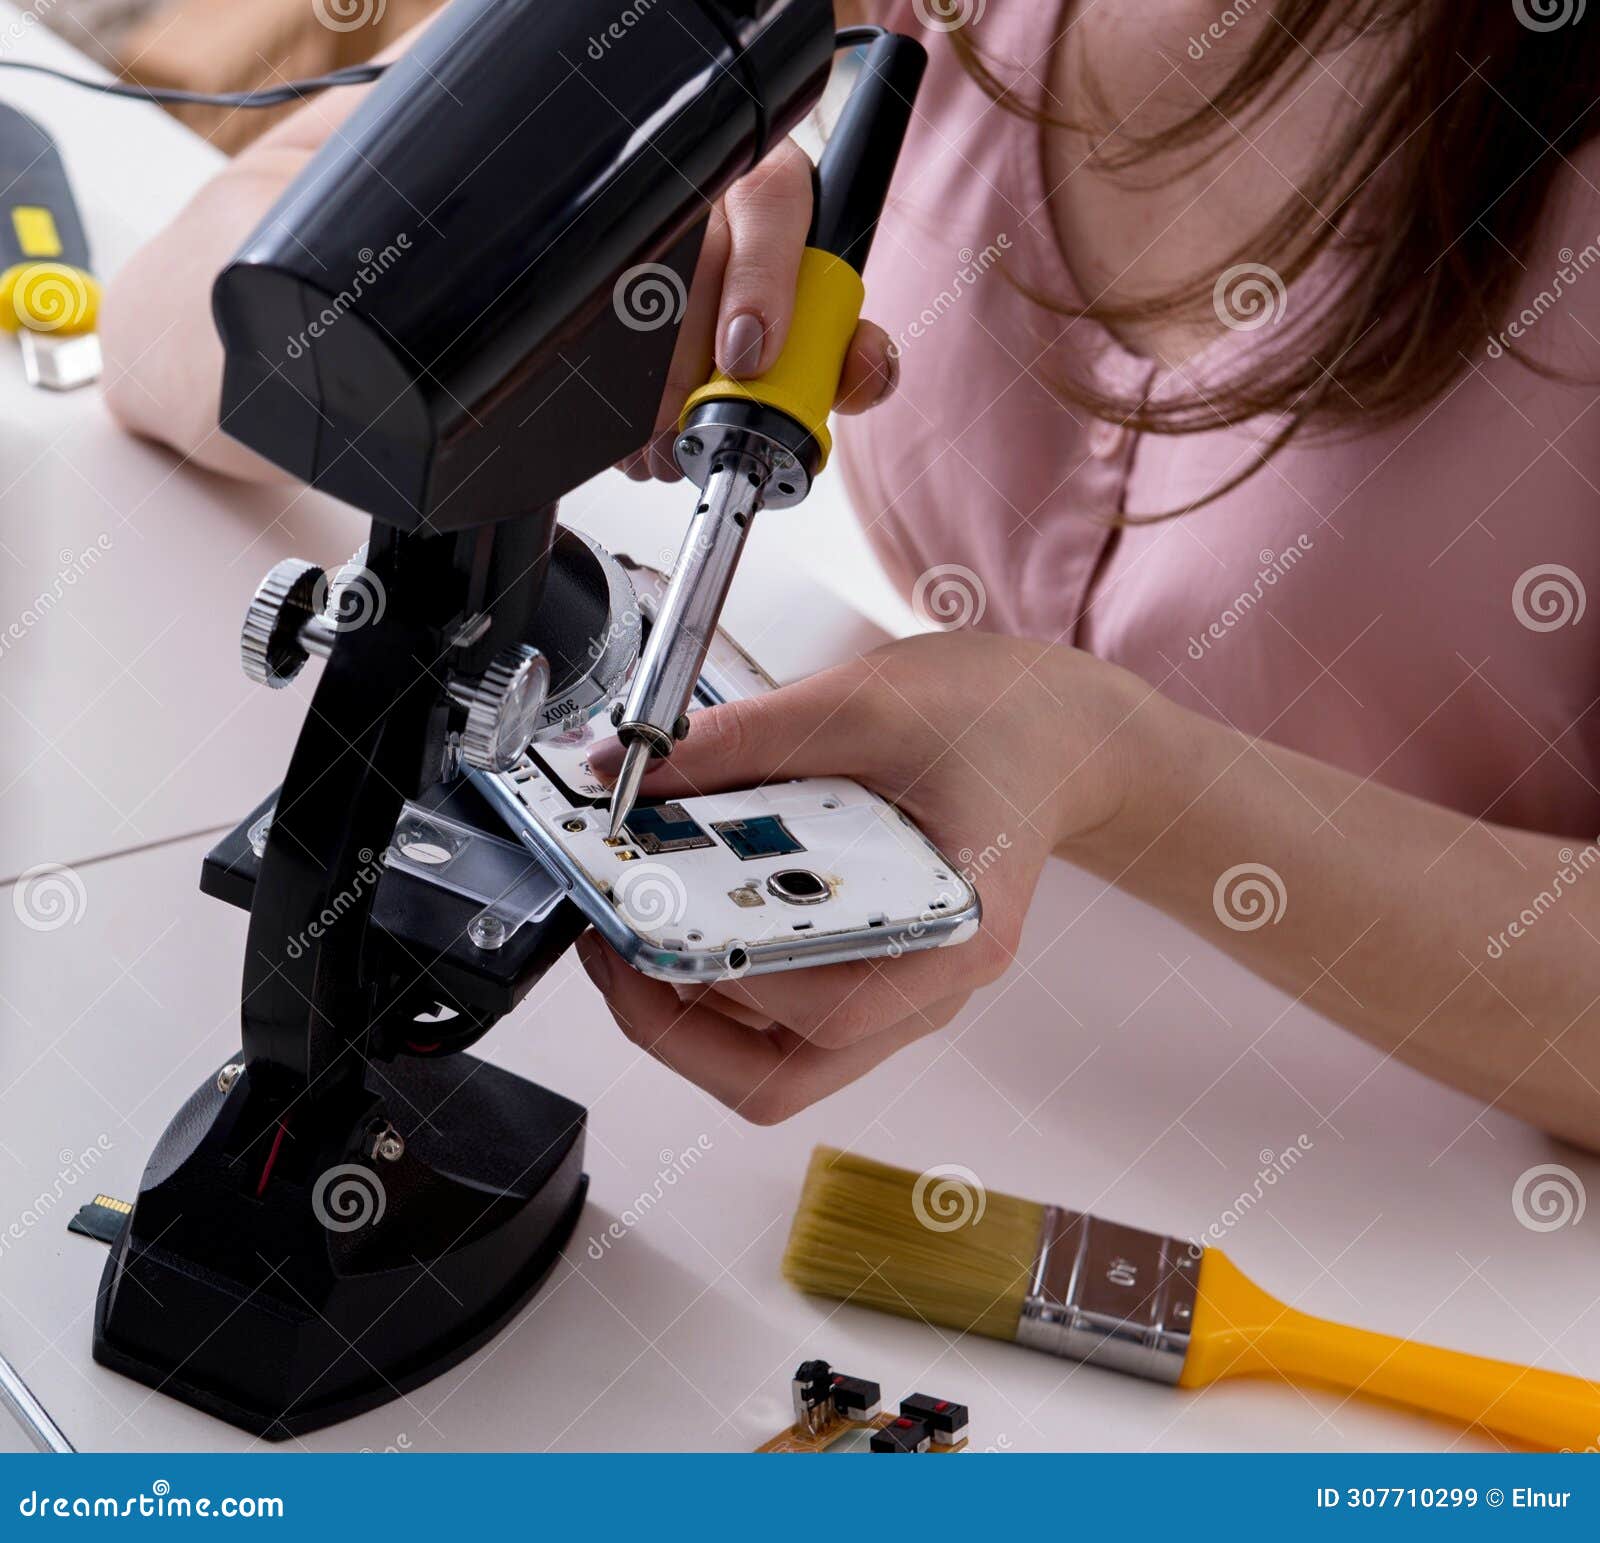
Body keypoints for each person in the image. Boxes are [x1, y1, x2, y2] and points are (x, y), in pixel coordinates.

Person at [101, 1, 1600, 1148]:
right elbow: (190, 305)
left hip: (1409, 1186)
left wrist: (1124, 773)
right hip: (983, 1107)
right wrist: (504, 276)